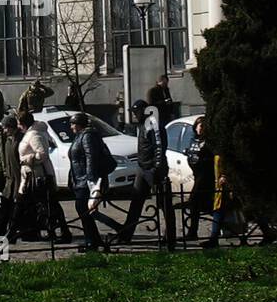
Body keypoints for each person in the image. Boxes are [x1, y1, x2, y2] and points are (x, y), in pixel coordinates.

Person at [114, 99, 171, 245]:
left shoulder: (153, 124)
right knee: (136, 202)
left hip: (152, 169)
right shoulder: (143, 125)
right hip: (143, 168)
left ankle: (170, 236)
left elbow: (159, 146)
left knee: (163, 203)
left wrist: (156, 168)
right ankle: (126, 235)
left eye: (136, 112)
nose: (135, 115)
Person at [17, 110, 73, 243]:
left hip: (38, 176)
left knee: (48, 205)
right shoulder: (32, 132)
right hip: (33, 175)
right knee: (47, 204)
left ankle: (57, 231)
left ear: (23, 124)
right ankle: (51, 230)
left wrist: (27, 159)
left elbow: (42, 154)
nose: (18, 127)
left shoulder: (34, 134)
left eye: (19, 124)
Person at [67, 113, 117, 251]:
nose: (71, 127)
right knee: (85, 210)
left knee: (83, 209)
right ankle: (94, 240)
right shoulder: (80, 135)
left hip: (86, 180)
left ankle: (92, 241)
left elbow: (91, 157)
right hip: (80, 179)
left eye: (73, 124)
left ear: (79, 124)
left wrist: (91, 180)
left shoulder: (88, 136)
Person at [185, 116, 215, 240]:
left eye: (203, 126)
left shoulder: (209, 142)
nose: (200, 128)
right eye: (199, 126)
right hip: (197, 176)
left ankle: (195, 232)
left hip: (206, 177)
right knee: (198, 205)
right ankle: (193, 232)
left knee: (195, 202)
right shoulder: (193, 140)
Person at [0, 115, 23, 239]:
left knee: (16, 210)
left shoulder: (19, 140)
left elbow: (18, 164)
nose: (4, 131)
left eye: (5, 128)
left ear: (11, 127)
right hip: (9, 180)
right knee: (5, 207)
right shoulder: (8, 140)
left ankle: (11, 233)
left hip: (18, 180)